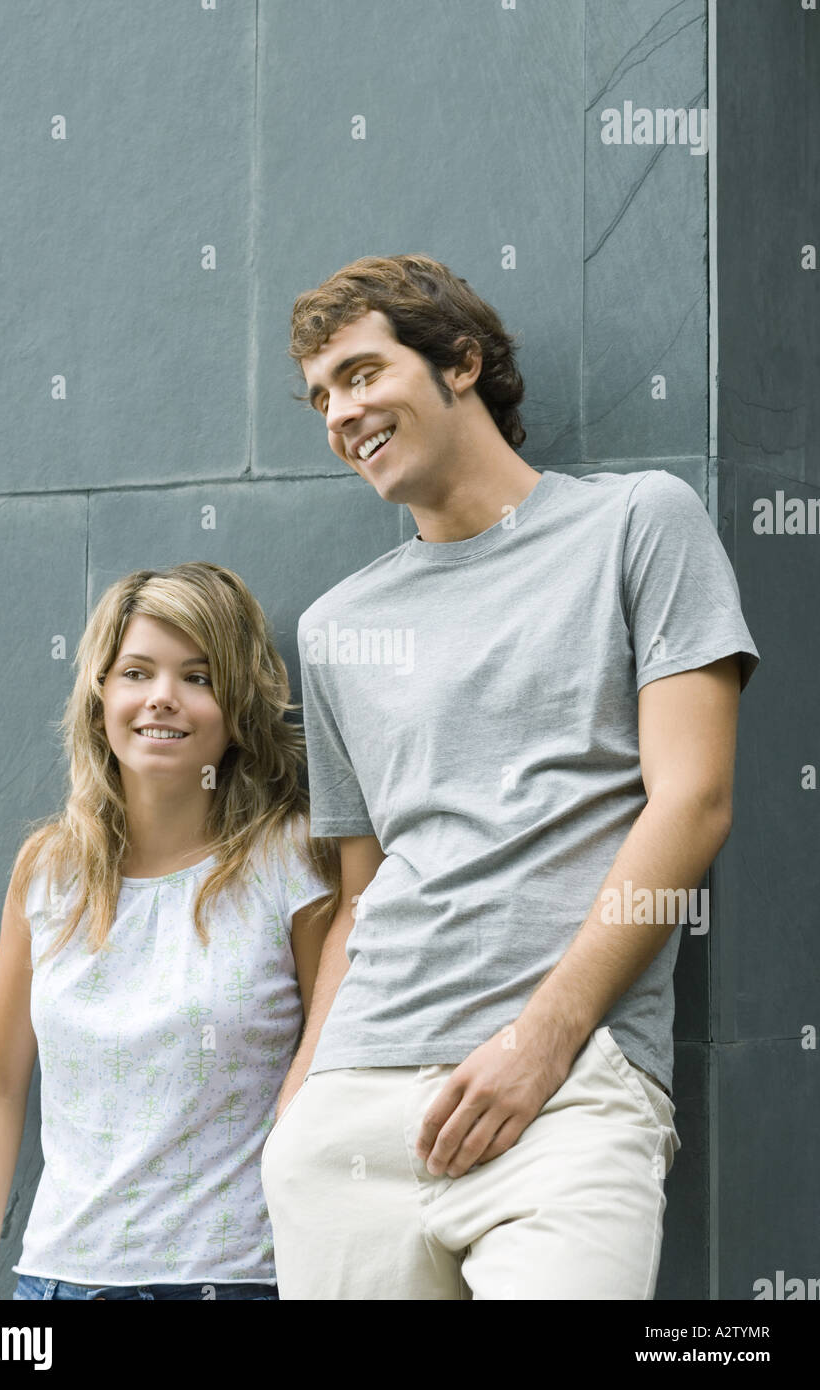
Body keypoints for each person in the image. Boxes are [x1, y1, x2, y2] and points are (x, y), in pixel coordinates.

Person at [259, 253, 761, 1300]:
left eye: (359, 374)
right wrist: (301, 1103)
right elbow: (361, 891)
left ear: (460, 363)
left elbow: (693, 803)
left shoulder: (636, 523)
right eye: (320, 398)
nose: (339, 414)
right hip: (356, 1113)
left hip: (570, 1091)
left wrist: (543, 1040)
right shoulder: (337, 626)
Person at [0, 562, 339, 1301]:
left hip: (236, 1282)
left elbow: (330, 1073)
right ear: (101, 695)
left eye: (198, 676)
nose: (163, 696)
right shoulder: (48, 874)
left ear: (235, 707)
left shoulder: (291, 862)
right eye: (137, 671)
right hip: (58, 1284)